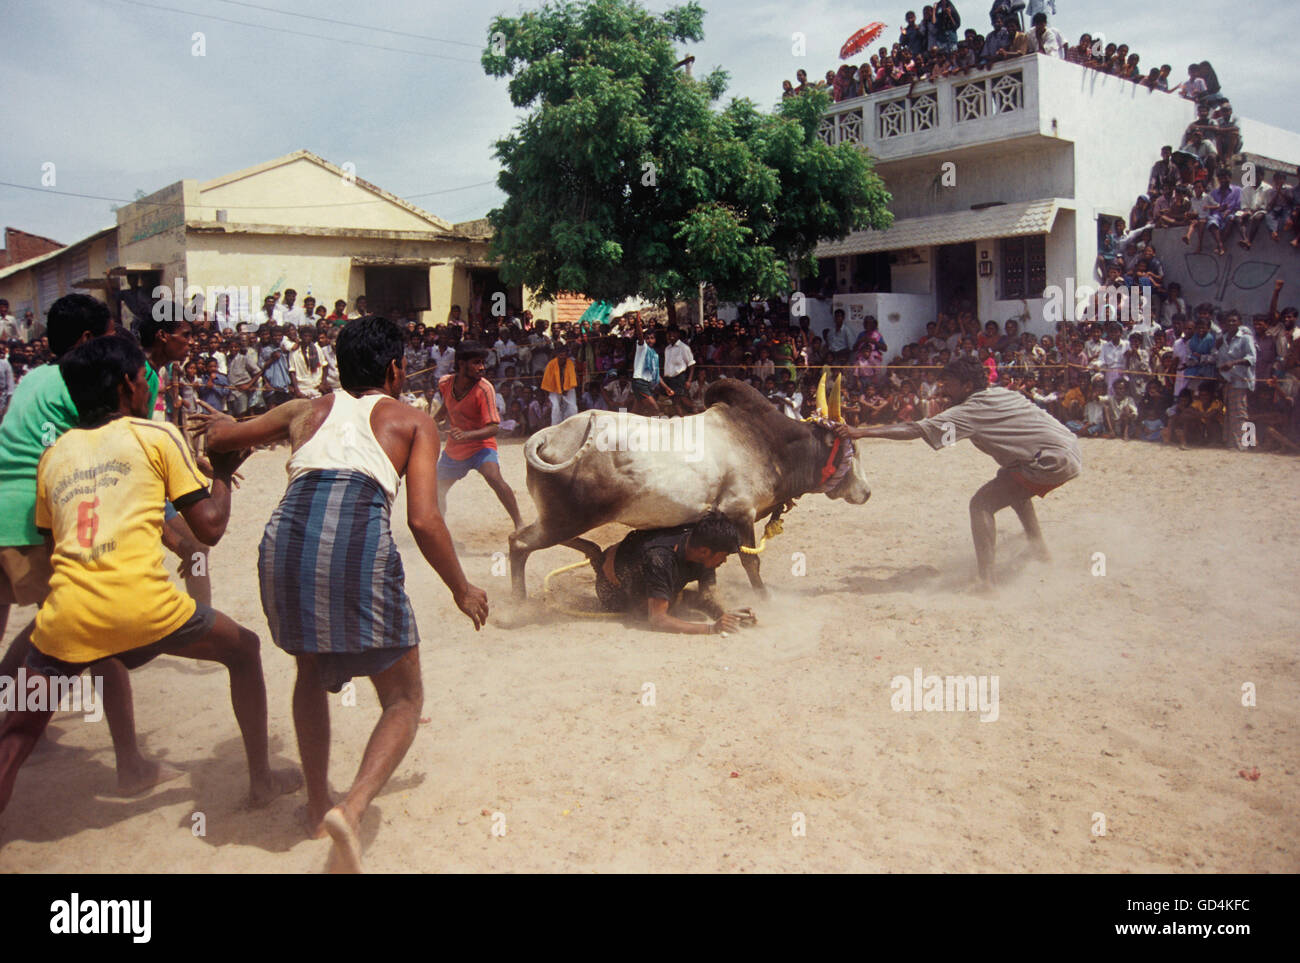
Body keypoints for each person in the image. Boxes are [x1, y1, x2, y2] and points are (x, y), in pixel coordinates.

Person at [193, 316, 489, 873]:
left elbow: (221, 438)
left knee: (309, 670)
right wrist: (461, 586)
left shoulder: (306, 410)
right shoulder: (413, 420)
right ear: (396, 370)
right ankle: (349, 810)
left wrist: (224, 425)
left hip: (285, 544)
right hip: (354, 540)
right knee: (403, 699)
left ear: (337, 367)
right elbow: (424, 520)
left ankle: (314, 804)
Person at [0, 334, 301, 814]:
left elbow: (54, 537)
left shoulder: (54, 454)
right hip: (146, 608)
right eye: (144, 378)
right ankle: (261, 781)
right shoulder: (156, 436)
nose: (148, 386)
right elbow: (211, 527)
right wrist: (221, 472)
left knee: (14, 738)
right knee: (244, 650)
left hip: (68, 617)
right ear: (127, 386)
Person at [835, 357, 1081, 591]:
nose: (943, 391)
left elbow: (914, 429)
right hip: (1069, 449)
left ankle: (987, 582)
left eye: (949, 386)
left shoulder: (969, 411)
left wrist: (861, 432)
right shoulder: (1000, 392)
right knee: (1009, 479)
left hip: (1051, 463)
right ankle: (1038, 549)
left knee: (981, 504)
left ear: (967, 386)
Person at [576, 511, 749, 634]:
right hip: (613, 590)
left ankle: (603, 557)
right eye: (724, 556)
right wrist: (711, 628)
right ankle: (597, 557)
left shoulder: (700, 542)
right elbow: (658, 620)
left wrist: (727, 615)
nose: (724, 561)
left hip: (631, 557)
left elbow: (707, 596)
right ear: (704, 551)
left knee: (690, 599)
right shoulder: (660, 560)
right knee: (673, 602)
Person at [434, 342, 524, 531]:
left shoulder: (485, 389)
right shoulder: (445, 383)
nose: (482, 367)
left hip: (481, 445)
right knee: (436, 490)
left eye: (482, 362)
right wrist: (434, 420)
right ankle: (440, 529)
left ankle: (520, 524)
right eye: (476, 362)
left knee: (494, 478)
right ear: (461, 364)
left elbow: (493, 428)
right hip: (455, 447)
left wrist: (466, 435)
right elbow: (447, 405)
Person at [541, 341, 579, 425]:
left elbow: (572, 379)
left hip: (568, 388)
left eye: (564, 355)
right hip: (554, 389)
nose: (563, 357)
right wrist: (546, 397)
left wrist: (565, 389)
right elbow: (546, 383)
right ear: (557, 355)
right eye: (561, 355)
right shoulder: (551, 364)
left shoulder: (570, 363)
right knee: (555, 408)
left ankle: (570, 425)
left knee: (573, 408)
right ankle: (555, 427)